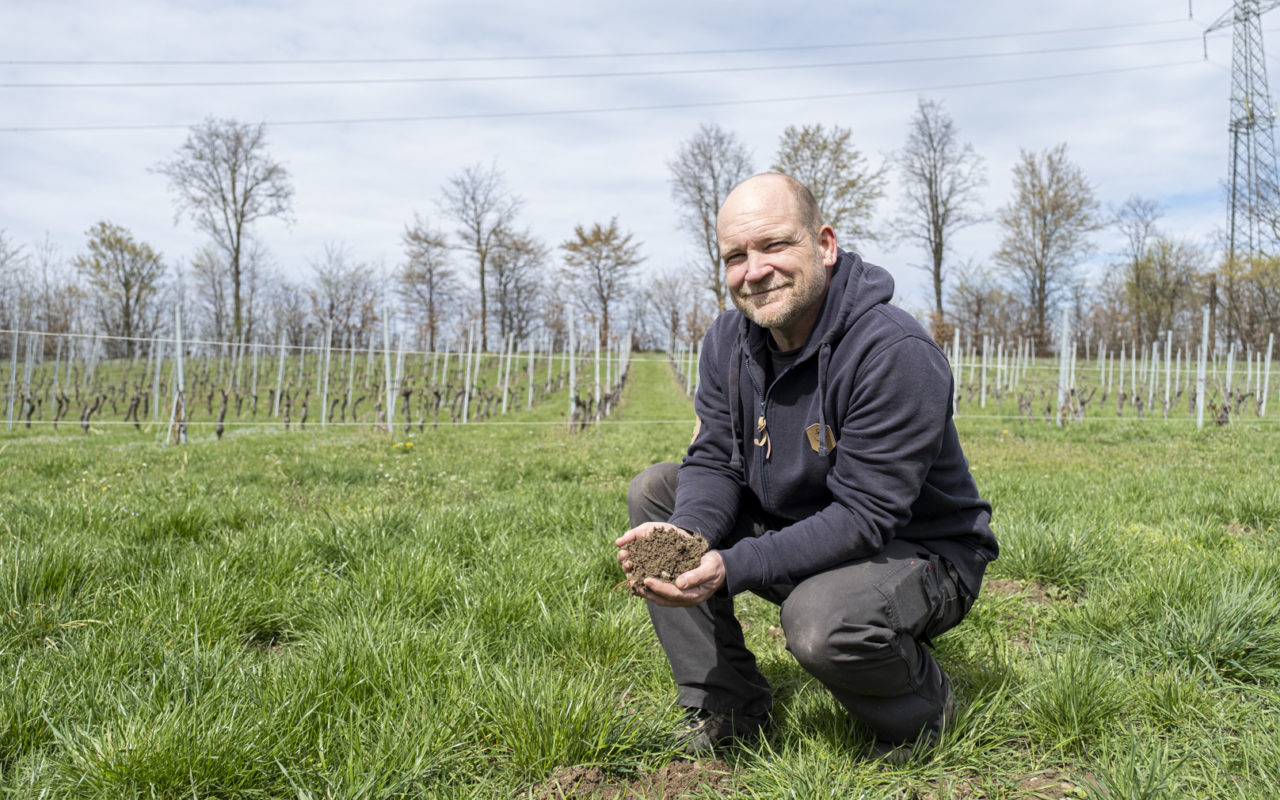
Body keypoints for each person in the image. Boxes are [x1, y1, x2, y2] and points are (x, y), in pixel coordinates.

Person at [616, 172, 997, 760]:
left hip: (918, 550)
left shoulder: (893, 352)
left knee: (820, 620)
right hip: (800, 524)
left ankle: (925, 713)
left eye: (774, 245)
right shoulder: (728, 340)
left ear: (824, 244)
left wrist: (732, 565)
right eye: (735, 256)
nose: (754, 271)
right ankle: (727, 705)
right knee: (658, 491)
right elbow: (715, 459)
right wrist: (685, 539)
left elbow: (865, 517)